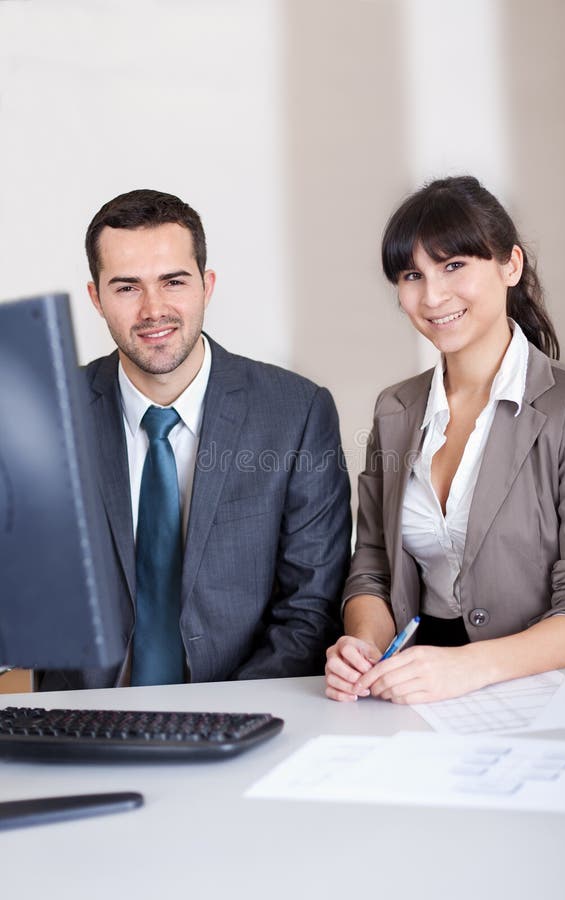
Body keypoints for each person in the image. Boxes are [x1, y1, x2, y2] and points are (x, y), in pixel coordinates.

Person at [325, 175, 565, 705]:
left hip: (547, 688)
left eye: (454, 265)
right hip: (420, 684)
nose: (433, 294)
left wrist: (467, 667)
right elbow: (372, 565)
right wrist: (364, 645)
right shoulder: (395, 409)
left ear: (511, 265)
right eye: (412, 274)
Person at [38, 189, 351, 690]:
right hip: (82, 721)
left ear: (206, 286)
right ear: (96, 298)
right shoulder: (45, 413)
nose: (153, 309)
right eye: (126, 288)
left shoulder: (296, 413)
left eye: (173, 282)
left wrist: (222, 715)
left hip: (243, 716)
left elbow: (309, 610)